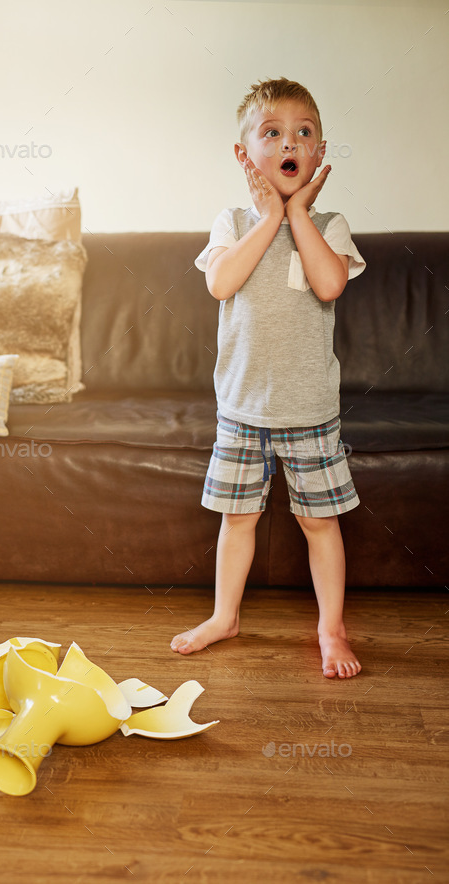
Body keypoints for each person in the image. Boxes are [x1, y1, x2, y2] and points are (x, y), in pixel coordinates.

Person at [171, 77, 366, 678]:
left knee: (319, 522)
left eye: (303, 133)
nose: (290, 141)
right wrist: (269, 217)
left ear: (319, 152)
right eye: (273, 132)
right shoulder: (231, 221)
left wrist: (298, 213)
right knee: (238, 519)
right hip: (242, 409)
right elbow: (221, 283)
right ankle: (224, 616)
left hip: (309, 411)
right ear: (244, 155)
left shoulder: (328, 222)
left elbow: (330, 284)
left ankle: (330, 629)